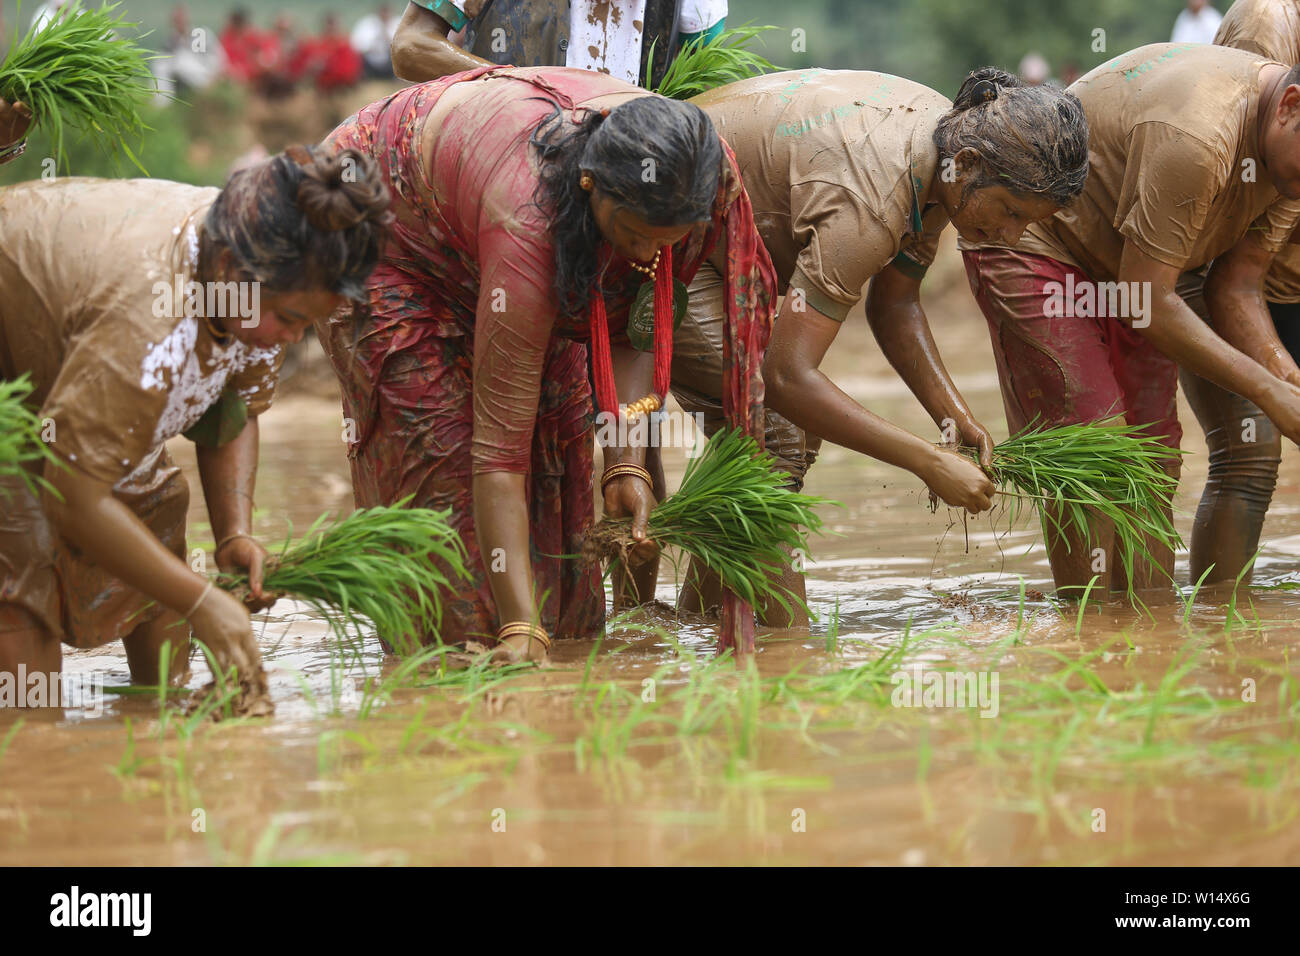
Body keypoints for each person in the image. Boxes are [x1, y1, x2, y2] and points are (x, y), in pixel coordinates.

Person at [312, 65, 776, 662]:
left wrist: (626, 466)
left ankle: (565, 652)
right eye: (634, 232)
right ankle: (449, 663)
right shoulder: (530, 224)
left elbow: (631, 312)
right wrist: (519, 630)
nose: (648, 251)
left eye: (667, 239)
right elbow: (498, 453)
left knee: (561, 440)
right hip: (379, 227)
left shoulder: (698, 183)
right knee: (440, 456)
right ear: (590, 185)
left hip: (482, 215)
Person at [643, 67, 1089, 624]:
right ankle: (790, 648)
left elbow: (894, 304)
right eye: (1012, 212)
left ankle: (698, 620)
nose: (1013, 235)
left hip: (726, 244)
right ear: (970, 165)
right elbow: (786, 378)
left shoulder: (946, 156)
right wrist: (928, 462)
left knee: (784, 440)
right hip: (662, 235)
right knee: (776, 436)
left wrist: (954, 419)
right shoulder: (874, 199)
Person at [0, 147, 391, 706]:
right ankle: (33, 756)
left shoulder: (254, 272)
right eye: (288, 320)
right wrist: (201, 602)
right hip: (13, 386)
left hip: (65, 366)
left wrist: (234, 533)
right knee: (20, 562)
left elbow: (232, 411)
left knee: (156, 509)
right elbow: (74, 494)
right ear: (232, 271)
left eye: (302, 325)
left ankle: (155, 712)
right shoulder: (149, 317)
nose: (288, 338)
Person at [962, 43, 1300, 597]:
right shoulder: (1198, 133)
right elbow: (1147, 301)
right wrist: (1268, 392)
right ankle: (1092, 641)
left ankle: (1149, 641)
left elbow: (1237, 286)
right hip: (1035, 237)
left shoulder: (1287, 159)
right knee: (1098, 452)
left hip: (1135, 266)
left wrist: (1289, 382)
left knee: (1153, 456)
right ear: (1289, 105)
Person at [1171, 0, 1300, 585]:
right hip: (1255, 274)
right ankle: (1220, 625)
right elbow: (1254, 160)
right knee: (1251, 447)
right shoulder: (1266, 25)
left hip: (1262, 269)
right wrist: (1278, 376)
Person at [390, 1, 725, 87]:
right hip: (506, 154)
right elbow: (409, 47)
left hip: (632, 167)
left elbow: (704, 82)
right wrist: (521, 85)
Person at [352, 4, 400, 79]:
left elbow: (400, 46)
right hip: (369, 60)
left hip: (390, 61)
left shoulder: (397, 23)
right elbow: (357, 45)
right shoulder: (366, 24)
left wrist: (387, 38)